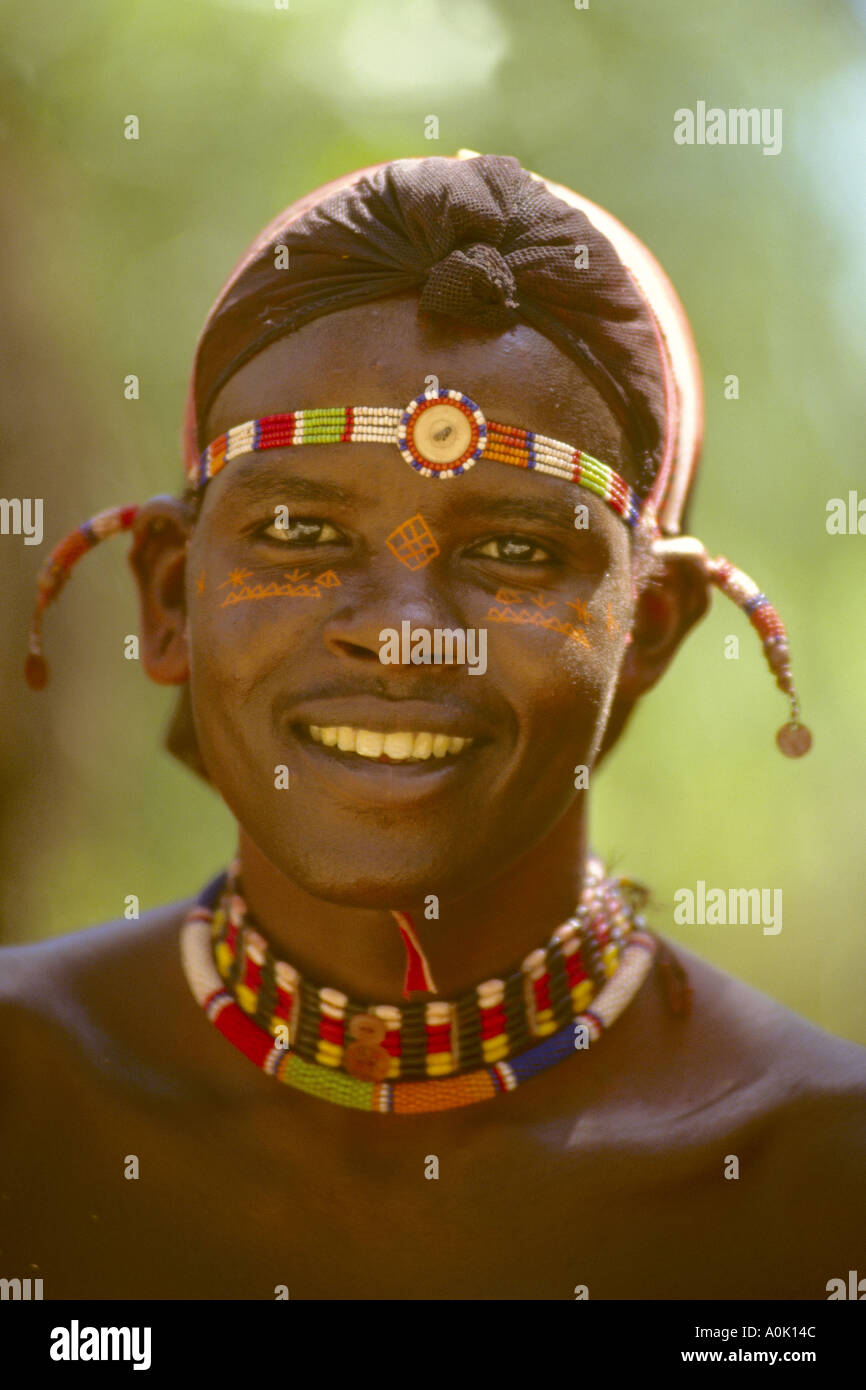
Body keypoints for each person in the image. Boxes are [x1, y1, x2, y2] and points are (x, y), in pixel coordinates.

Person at [2, 153, 863, 1301]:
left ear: (646, 629)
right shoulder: (24, 1097)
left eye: (512, 550)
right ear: (167, 597)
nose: (405, 637)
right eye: (301, 532)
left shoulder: (813, 1180)